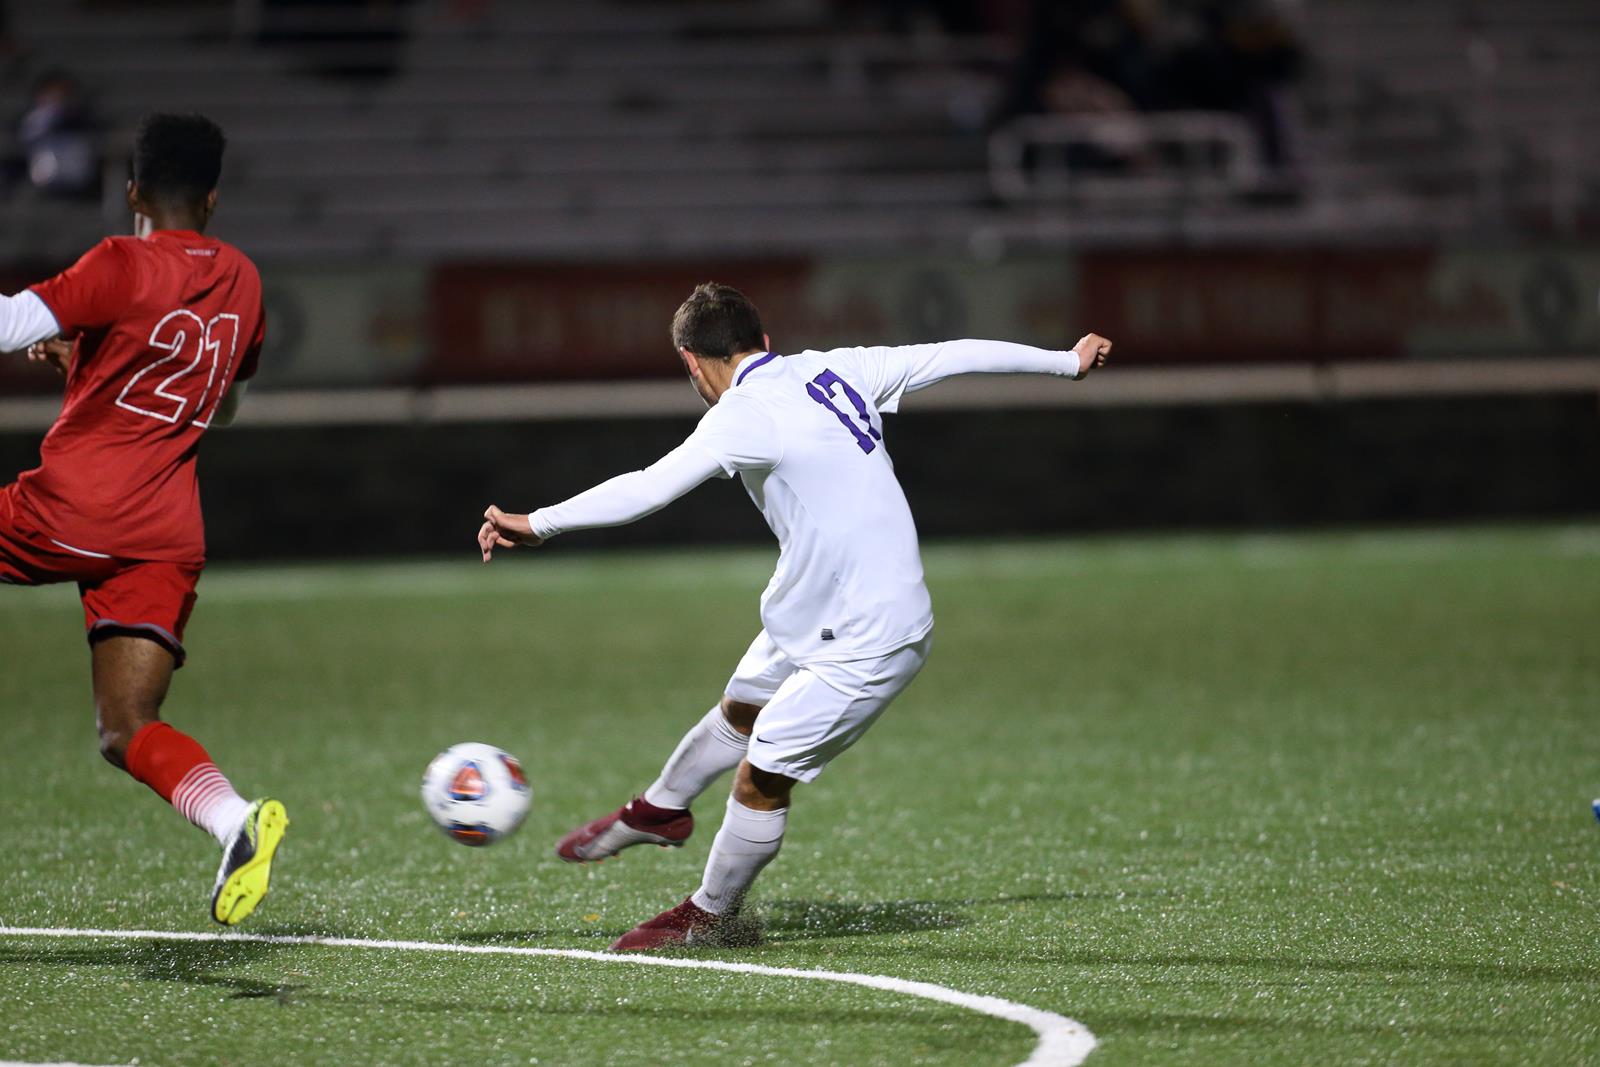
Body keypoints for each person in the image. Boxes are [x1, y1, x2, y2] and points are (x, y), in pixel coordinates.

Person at [478, 282, 1110, 951]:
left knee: (763, 770)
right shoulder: (837, 367)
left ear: (692, 363)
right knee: (740, 708)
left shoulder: (743, 414)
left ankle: (712, 914)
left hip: (872, 635)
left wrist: (536, 524)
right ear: (765, 341)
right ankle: (660, 808)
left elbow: (646, 486)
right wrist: (1063, 361)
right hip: (819, 605)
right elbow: (952, 353)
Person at [0, 112, 285, 926]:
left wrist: (65, 340)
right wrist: (88, 357)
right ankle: (236, 819)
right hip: (163, 534)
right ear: (213, 198)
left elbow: (13, 322)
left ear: (132, 192)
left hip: (76, 507)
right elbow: (215, 402)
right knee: (127, 728)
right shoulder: (244, 280)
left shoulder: (121, 259)